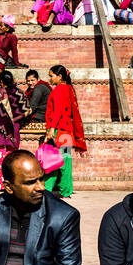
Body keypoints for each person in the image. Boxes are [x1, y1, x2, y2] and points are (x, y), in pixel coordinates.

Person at [42, 65, 85, 197]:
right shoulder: (67, 88)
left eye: (51, 76)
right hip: (66, 132)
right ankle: (65, 189)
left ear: (59, 76)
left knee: (54, 161)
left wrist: (51, 129)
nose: (50, 79)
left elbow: (58, 111)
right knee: (64, 161)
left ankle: (48, 189)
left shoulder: (60, 89)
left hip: (60, 131)